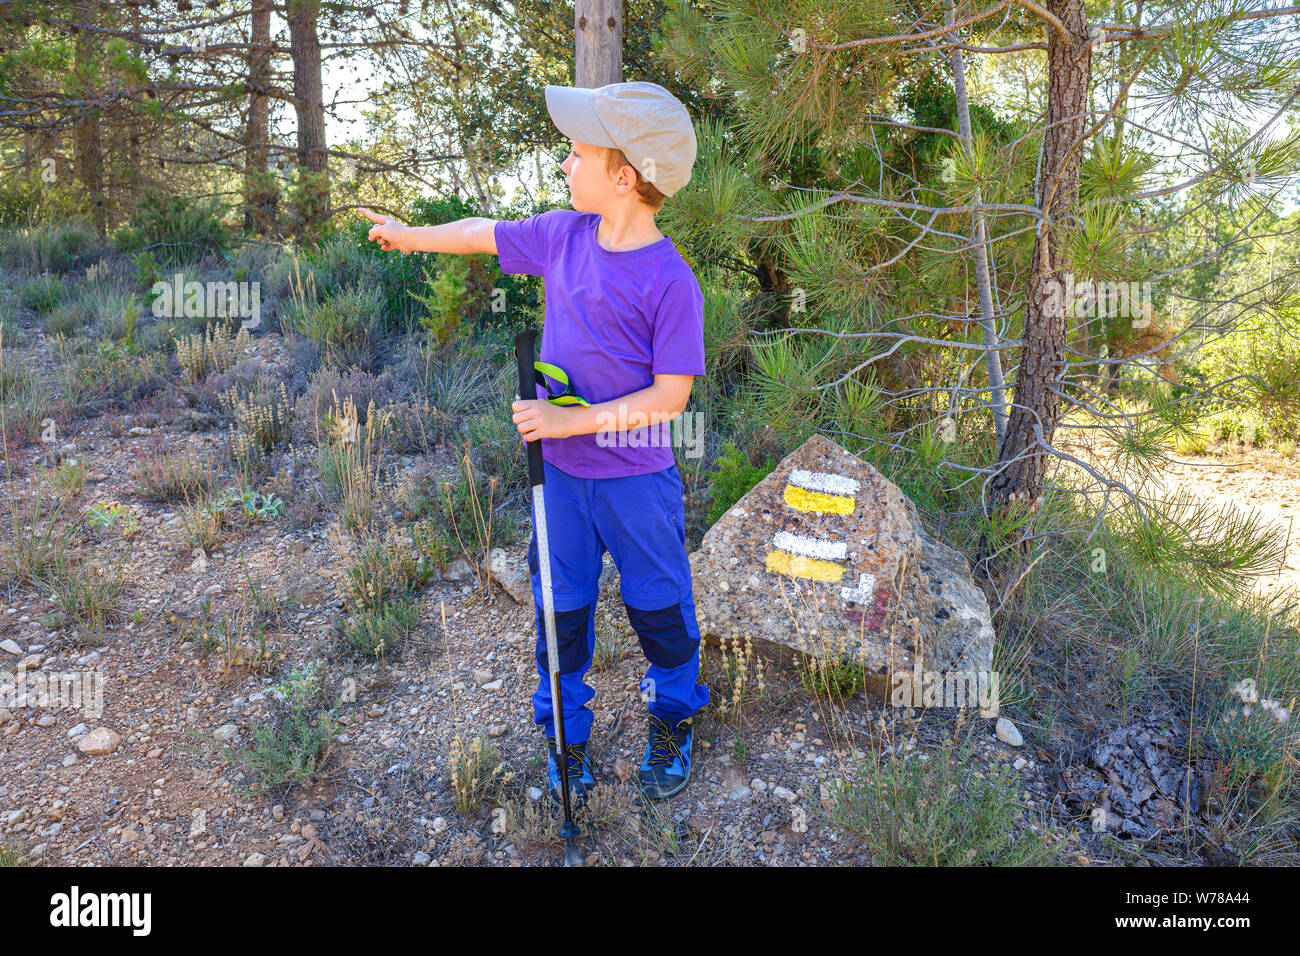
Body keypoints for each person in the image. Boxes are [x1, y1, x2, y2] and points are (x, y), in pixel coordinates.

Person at [359, 81, 709, 805]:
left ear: (625, 175)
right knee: (562, 610)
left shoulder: (671, 281)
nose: (564, 163)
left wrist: (566, 423)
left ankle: (673, 715)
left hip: (636, 482)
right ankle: (565, 735)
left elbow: (671, 398)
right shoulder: (561, 237)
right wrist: (409, 233)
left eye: (578, 152)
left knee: (659, 605)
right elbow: (479, 232)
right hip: (561, 485)